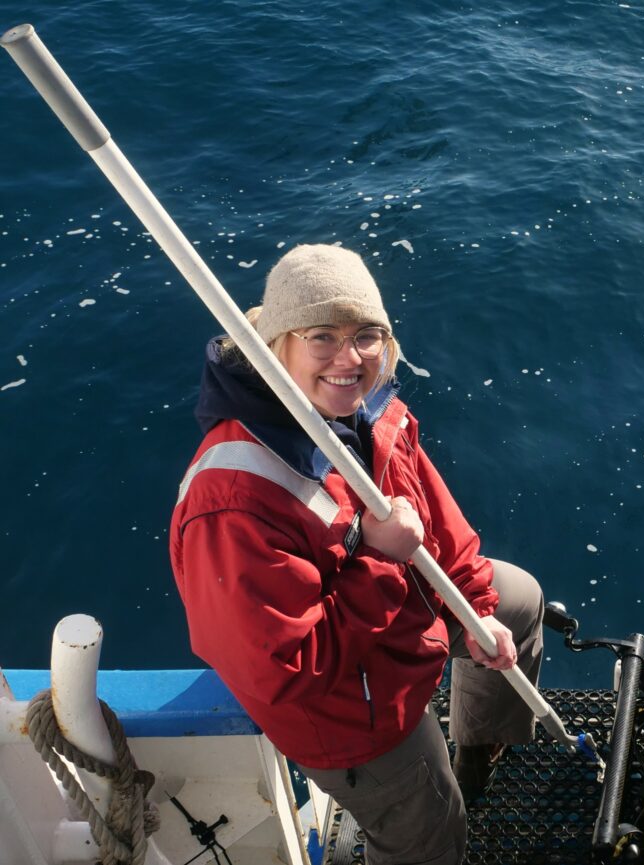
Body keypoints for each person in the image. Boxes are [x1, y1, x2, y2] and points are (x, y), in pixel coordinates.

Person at [170, 244, 545, 865]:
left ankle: (477, 754)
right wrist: (377, 559)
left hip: (394, 619)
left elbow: (435, 520)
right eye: (323, 336)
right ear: (275, 344)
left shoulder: (373, 411)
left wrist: (477, 605)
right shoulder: (232, 498)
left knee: (519, 600)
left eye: (367, 335)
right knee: (430, 828)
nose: (351, 359)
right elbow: (285, 670)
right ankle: (430, 803)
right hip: (344, 707)